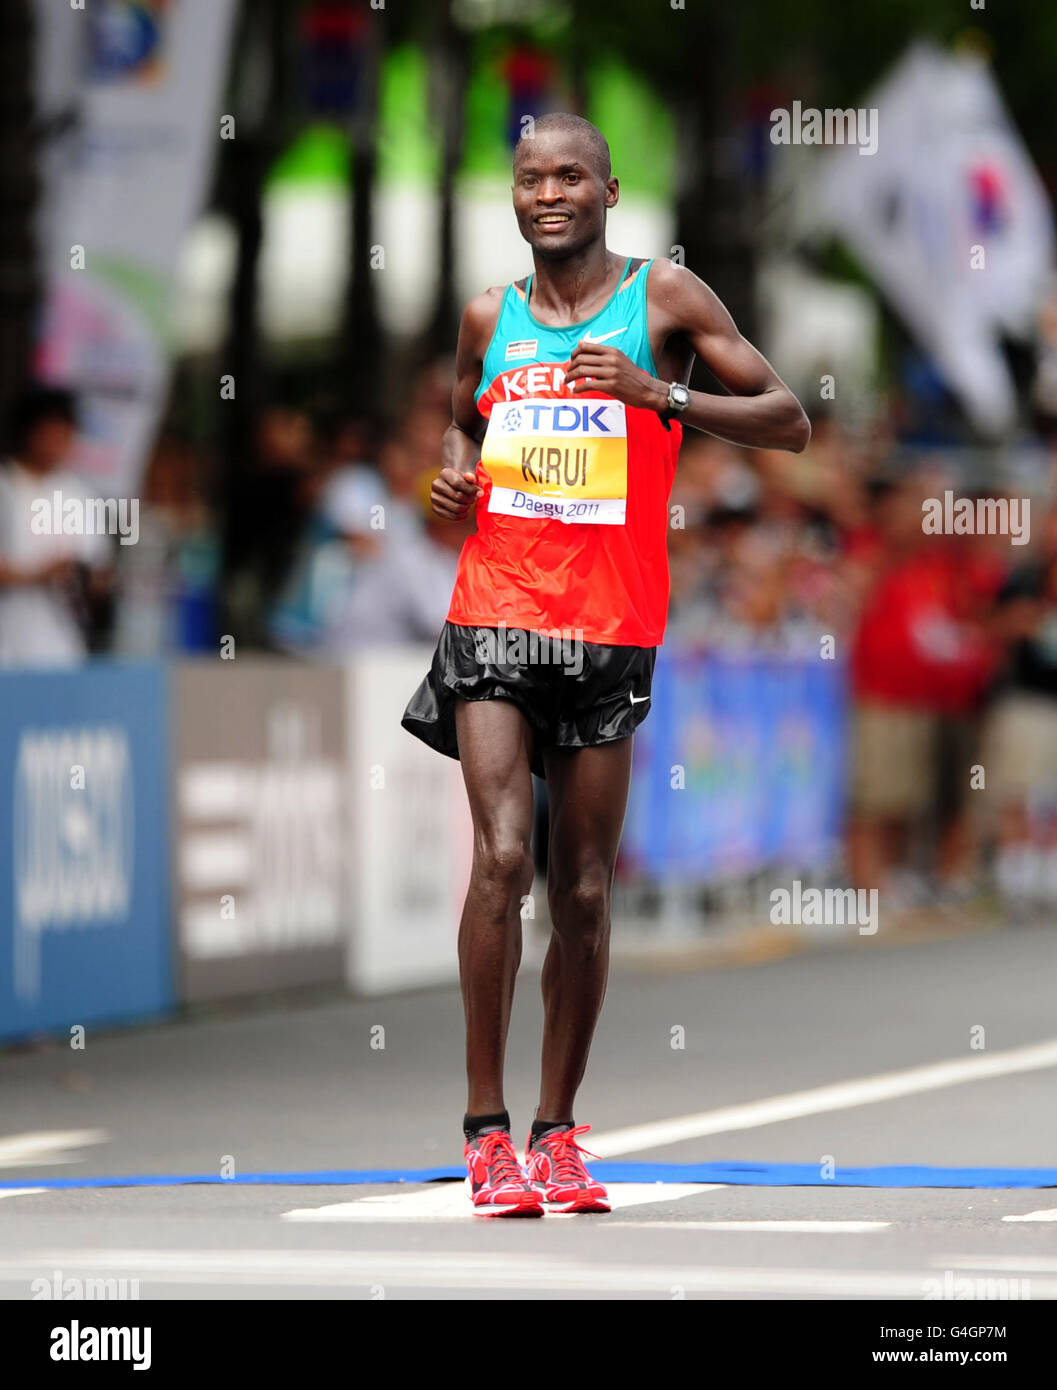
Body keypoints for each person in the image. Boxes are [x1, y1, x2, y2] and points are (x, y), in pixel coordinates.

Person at [401, 113, 809, 1216]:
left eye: (571, 175)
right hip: (495, 612)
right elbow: (458, 423)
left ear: (610, 190)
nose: (550, 192)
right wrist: (451, 478)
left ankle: (557, 1130)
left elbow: (788, 420)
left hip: (610, 627)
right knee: (501, 858)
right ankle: (486, 1133)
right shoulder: (488, 313)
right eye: (532, 177)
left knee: (582, 885)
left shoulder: (666, 299)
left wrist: (658, 397)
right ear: (515, 195)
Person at [0, 386, 113, 667]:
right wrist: (37, 575)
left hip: (60, 647)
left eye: (65, 434)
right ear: (29, 432)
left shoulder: (78, 494)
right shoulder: (5, 488)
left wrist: (87, 579)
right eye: (50, 433)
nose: (57, 443)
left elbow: (96, 567)